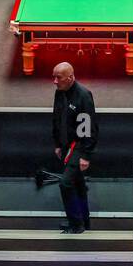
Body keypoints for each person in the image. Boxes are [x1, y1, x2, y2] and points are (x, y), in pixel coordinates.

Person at [51, 62, 96, 234]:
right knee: (77, 184)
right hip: (65, 145)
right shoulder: (59, 93)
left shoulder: (83, 96)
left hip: (78, 146)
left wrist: (85, 155)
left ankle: (76, 224)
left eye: (58, 77)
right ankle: (84, 220)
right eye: (53, 77)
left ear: (70, 77)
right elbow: (56, 118)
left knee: (66, 183)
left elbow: (89, 127)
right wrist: (57, 143)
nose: (55, 81)